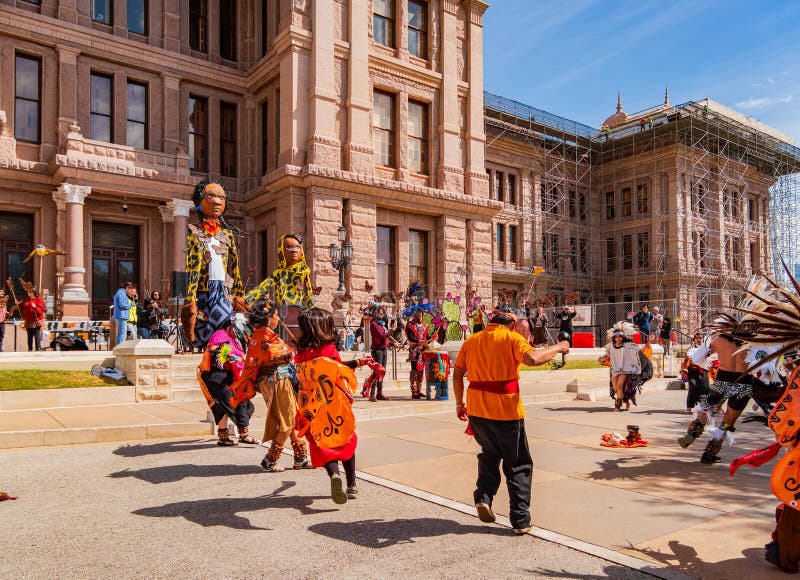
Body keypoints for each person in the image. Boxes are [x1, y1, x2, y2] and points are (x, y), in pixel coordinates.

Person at [453, 310, 569, 534]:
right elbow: (534, 359)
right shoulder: (512, 338)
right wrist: (559, 347)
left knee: (489, 454)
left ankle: (483, 497)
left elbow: (458, 374)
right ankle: (520, 520)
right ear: (512, 325)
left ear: (490, 322)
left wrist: (460, 403)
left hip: (477, 410)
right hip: (506, 411)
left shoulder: (472, 340)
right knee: (518, 464)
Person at [229, 298, 311, 471]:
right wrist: (289, 353)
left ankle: (300, 457)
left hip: (275, 380)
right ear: (267, 318)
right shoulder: (265, 336)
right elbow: (276, 355)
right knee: (287, 421)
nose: (277, 318)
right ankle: (271, 459)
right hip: (277, 380)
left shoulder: (260, 334)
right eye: (275, 315)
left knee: (292, 417)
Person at [295, 308, 365, 504]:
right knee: (346, 439)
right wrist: (357, 365)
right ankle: (351, 485)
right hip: (333, 403)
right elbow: (338, 373)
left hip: (312, 405)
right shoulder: (329, 349)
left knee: (322, 442)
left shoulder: (301, 353)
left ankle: (334, 475)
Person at [677, 319, 754, 464]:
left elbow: (700, 356)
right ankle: (709, 454)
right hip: (743, 383)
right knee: (727, 421)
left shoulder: (718, 340)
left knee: (708, 410)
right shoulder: (752, 343)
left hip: (723, 380)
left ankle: (693, 432)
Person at [181, 180, 246, 349]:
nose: (217, 201)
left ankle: (223, 365)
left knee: (226, 331)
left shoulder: (227, 235)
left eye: (222, 198)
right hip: (203, 291)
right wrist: (190, 298)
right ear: (199, 202)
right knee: (202, 334)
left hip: (223, 292)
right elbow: (193, 266)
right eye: (211, 196)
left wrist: (239, 294)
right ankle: (208, 366)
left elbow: (235, 267)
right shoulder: (193, 231)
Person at [197, 319, 258, 446]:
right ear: (230, 327)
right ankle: (242, 435)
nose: (239, 334)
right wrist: (233, 357)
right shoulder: (220, 334)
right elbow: (215, 352)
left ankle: (226, 437)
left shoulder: (235, 341)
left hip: (229, 376)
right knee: (229, 403)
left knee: (232, 405)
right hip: (215, 375)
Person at [245, 233, 314, 309]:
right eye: (289, 247)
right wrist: (247, 299)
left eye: (298, 247)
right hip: (284, 309)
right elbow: (263, 286)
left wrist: (312, 309)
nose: (294, 250)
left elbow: (309, 292)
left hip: (300, 309)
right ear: (281, 250)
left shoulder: (304, 271)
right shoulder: (279, 273)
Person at [600, 322, 642, 411]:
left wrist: (646, 347)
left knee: (619, 385)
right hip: (614, 369)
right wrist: (602, 358)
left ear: (622, 337)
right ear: (614, 337)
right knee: (615, 388)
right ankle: (626, 401)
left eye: (619, 337)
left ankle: (617, 404)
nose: (618, 339)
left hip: (624, 369)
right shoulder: (611, 346)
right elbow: (608, 355)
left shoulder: (627, 346)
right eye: (616, 337)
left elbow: (636, 351)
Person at [406, 310, 437, 399]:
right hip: (414, 350)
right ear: (415, 315)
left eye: (420, 315)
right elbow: (410, 337)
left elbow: (426, 338)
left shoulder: (425, 326)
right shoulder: (410, 325)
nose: (419, 316)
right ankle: (414, 391)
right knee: (414, 370)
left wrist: (432, 337)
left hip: (422, 350)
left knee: (421, 370)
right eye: (417, 315)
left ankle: (419, 390)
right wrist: (420, 341)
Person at [367, 306, 393, 401]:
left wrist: (393, 343)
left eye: (382, 313)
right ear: (375, 313)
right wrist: (392, 330)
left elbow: (385, 339)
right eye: (379, 313)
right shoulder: (373, 324)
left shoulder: (382, 324)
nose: (381, 315)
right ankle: (372, 394)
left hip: (383, 350)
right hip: (377, 350)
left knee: (382, 372)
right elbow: (382, 337)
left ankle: (379, 393)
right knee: (377, 371)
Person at [18, 283, 45, 352]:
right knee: (29, 337)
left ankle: (38, 349)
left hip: (36, 321)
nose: (28, 293)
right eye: (28, 291)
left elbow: (41, 311)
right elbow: (22, 309)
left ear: (33, 292)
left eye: (29, 291)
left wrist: (35, 307)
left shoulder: (39, 300)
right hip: (28, 321)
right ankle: (30, 349)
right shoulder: (26, 300)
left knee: (36, 337)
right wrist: (19, 304)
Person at [112, 282, 135, 346]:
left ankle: (119, 347)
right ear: (127, 288)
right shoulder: (121, 293)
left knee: (121, 333)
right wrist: (131, 304)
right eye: (131, 290)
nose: (131, 292)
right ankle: (120, 348)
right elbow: (122, 305)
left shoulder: (121, 293)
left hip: (121, 316)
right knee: (122, 334)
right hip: (121, 316)